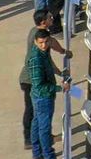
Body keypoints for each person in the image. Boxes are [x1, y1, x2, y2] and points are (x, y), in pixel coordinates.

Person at [24, 26, 65, 159]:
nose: (44, 45)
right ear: (35, 41)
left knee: (36, 124)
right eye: (41, 42)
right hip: (42, 98)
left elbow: (50, 64)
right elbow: (39, 86)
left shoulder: (44, 52)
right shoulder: (36, 59)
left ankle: (37, 154)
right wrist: (61, 88)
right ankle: (48, 155)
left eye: (46, 42)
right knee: (44, 129)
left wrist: (60, 73)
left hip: (40, 97)